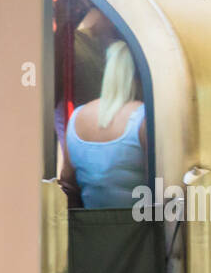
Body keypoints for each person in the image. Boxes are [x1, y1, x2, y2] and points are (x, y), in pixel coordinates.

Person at [60, 40, 147, 208]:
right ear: (139, 74)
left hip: (89, 229)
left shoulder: (77, 117)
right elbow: (163, 183)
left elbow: (68, 186)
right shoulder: (142, 117)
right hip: (139, 230)